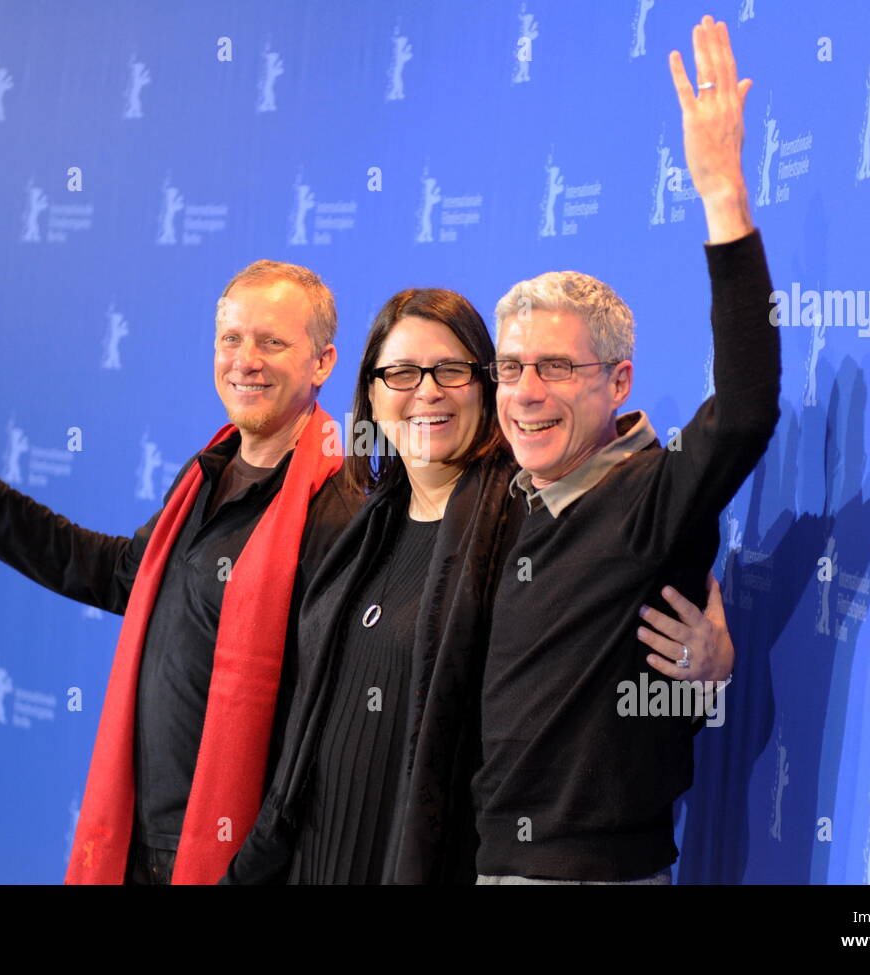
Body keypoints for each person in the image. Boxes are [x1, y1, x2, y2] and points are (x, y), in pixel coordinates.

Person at [224, 288, 734, 884]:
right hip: (316, 861)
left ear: (488, 386)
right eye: (402, 372)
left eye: (451, 370)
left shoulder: (532, 522)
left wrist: (707, 677)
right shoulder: (359, 527)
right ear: (370, 392)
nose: (427, 391)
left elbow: (606, 696)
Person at [0, 260, 363, 885]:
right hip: (141, 847)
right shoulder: (206, 472)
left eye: (272, 341)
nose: (245, 360)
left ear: (323, 362)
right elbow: (127, 573)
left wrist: (254, 863)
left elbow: (326, 728)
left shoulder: (340, 508)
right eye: (231, 339)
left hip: (240, 864)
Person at [472, 15, 780, 884]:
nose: (527, 391)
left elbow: (749, 409)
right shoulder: (490, 503)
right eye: (512, 367)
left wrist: (722, 194)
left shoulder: (655, 495)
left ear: (620, 381)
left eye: (558, 368)